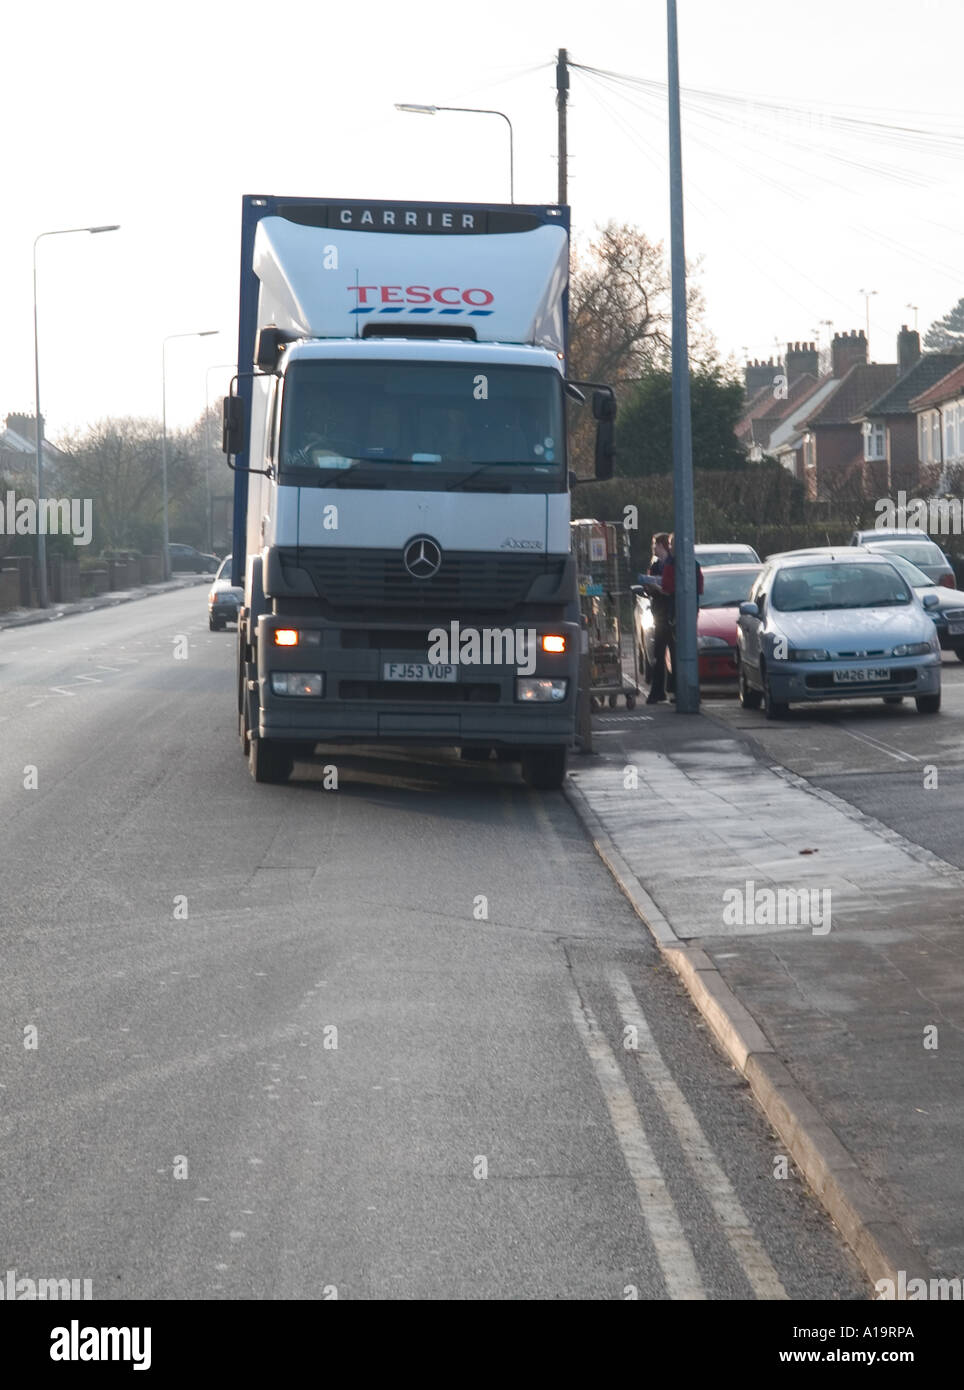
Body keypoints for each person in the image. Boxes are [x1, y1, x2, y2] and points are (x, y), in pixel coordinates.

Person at [658, 533, 704, 698]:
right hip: (689, 614)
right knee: (686, 651)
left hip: (676, 615)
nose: (669, 548)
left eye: (671, 545)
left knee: (679, 652)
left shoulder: (671, 565)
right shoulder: (695, 564)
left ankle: (683, 691)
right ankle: (689, 689)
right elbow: (699, 588)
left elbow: (666, 587)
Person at [642, 533, 673, 704]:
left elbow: (670, 588)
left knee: (671, 653)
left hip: (669, 613)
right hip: (659, 614)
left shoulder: (671, 564)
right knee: (658, 654)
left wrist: (657, 587)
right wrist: (648, 587)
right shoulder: (654, 565)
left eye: (655, 544)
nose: (653, 548)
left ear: (662, 545)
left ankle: (670, 690)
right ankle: (658, 691)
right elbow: (650, 590)